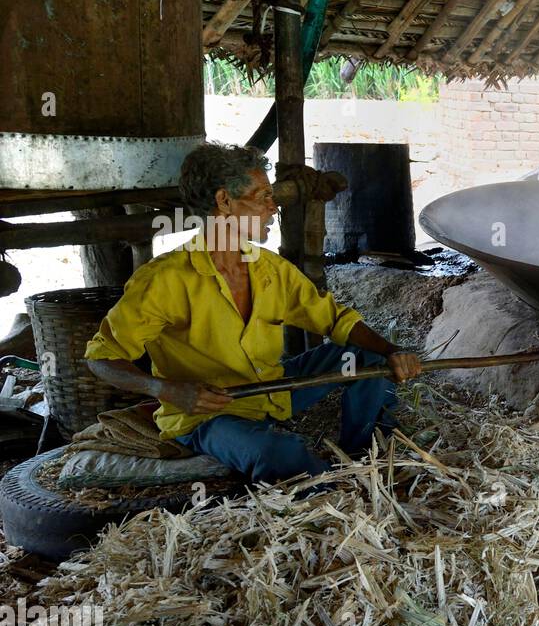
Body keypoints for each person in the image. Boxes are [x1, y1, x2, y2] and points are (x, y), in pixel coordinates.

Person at [85, 143, 423, 484]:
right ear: (224, 202)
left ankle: (367, 462)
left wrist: (392, 352)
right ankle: (337, 491)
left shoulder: (271, 270)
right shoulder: (163, 280)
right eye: (262, 196)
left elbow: (335, 320)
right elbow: (101, 358)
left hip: (271, 390)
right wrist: (166, 389)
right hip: (209, 415)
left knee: (368, 356)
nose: (273, 207)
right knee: (280, 454)